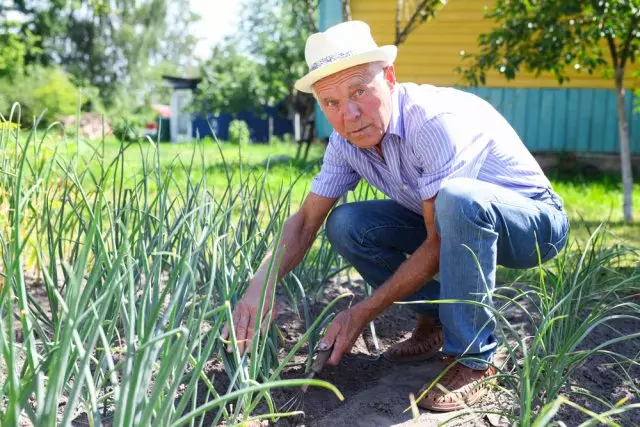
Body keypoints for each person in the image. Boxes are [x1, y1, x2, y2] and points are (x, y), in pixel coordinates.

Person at [222, 20, 569, 412]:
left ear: (389, 77)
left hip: (535, 224)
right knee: (347, 225)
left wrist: (361, 314)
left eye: (359, 92)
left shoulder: (432, 121)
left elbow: (437, 243)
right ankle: (437, 317)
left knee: (457, 199)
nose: (349, 114)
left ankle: (475, 360)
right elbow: (305, 222)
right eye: (331, 103)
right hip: (452, 219)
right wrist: (258, 289)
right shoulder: (345, 142)